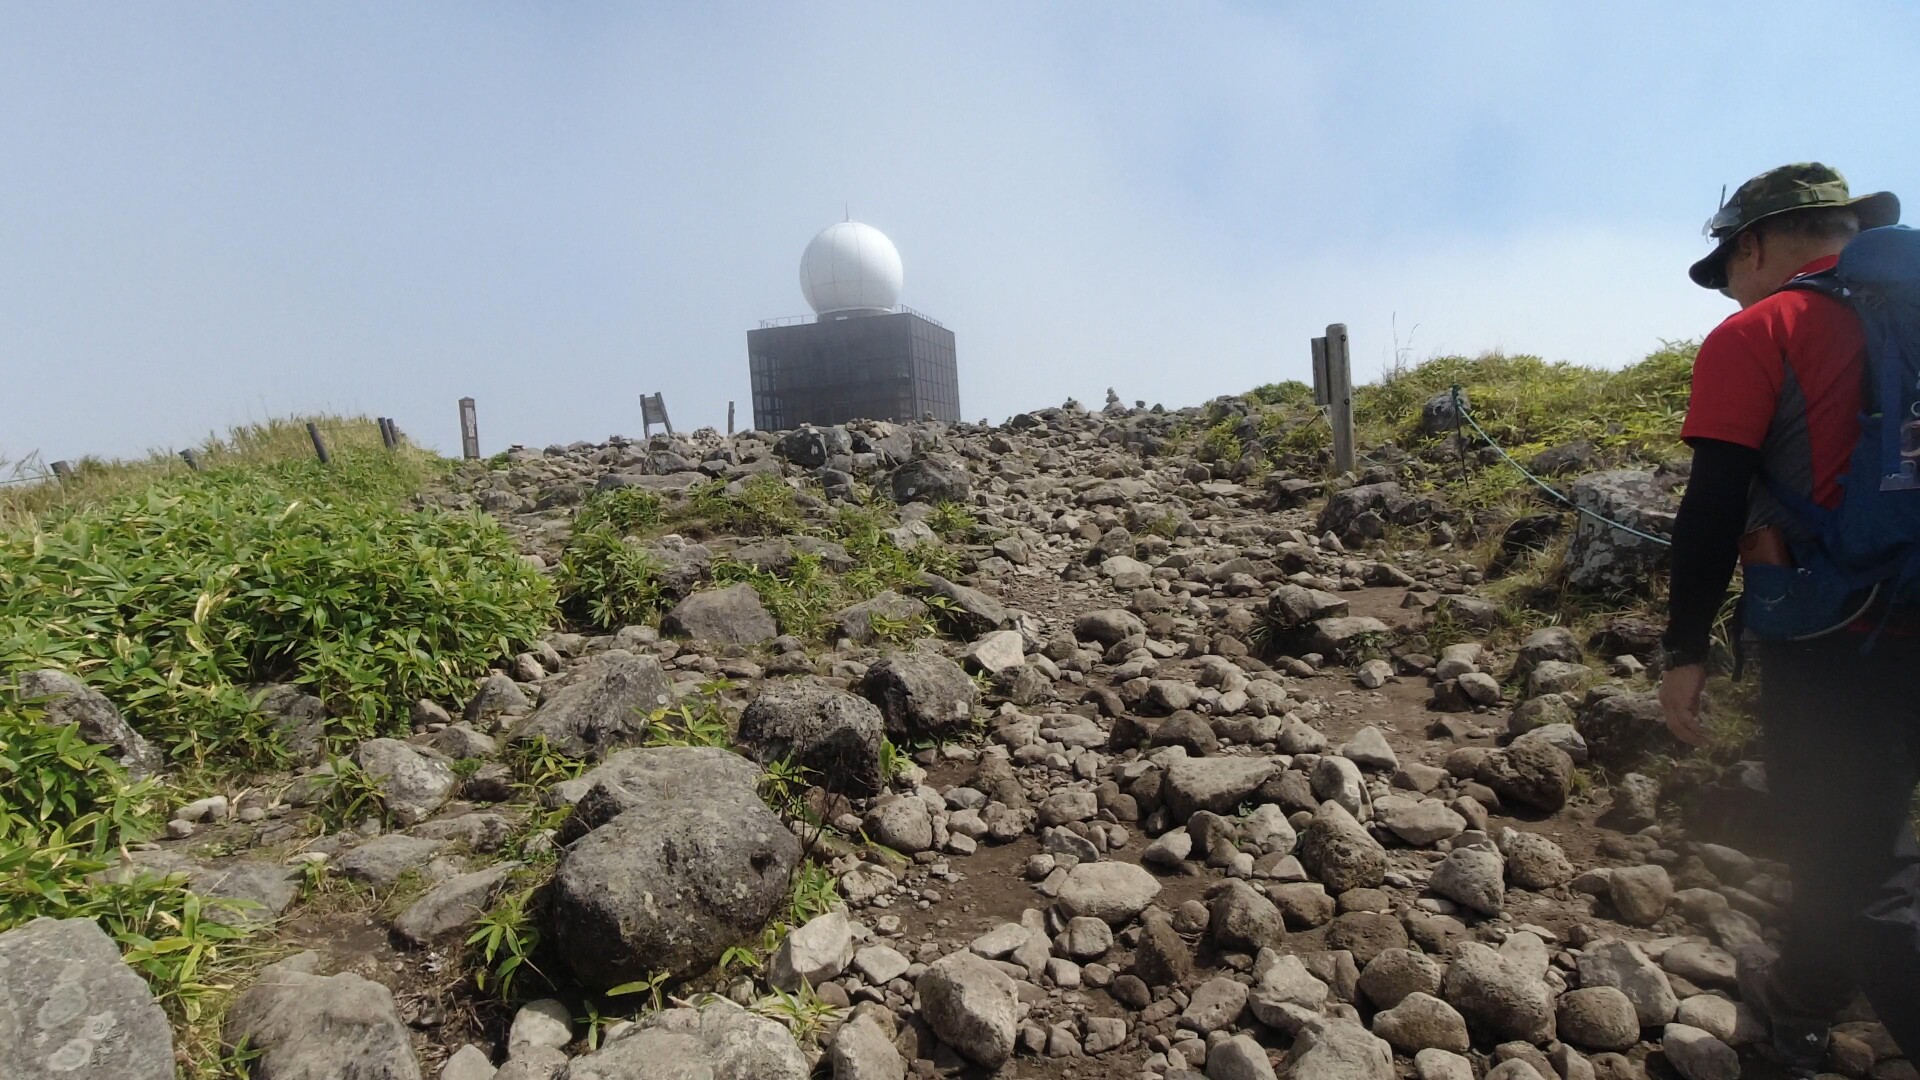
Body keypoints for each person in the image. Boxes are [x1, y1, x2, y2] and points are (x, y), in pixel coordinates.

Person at [1658, 162, 1917, 1071]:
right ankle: (1805, 998)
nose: (1728, 290)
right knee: (1861, 842)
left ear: (1755, 246)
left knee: (1860, 864)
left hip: (1839, 635)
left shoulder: (1761, 330)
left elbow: (1713, 506)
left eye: (1726, 269)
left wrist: (1685, 648)